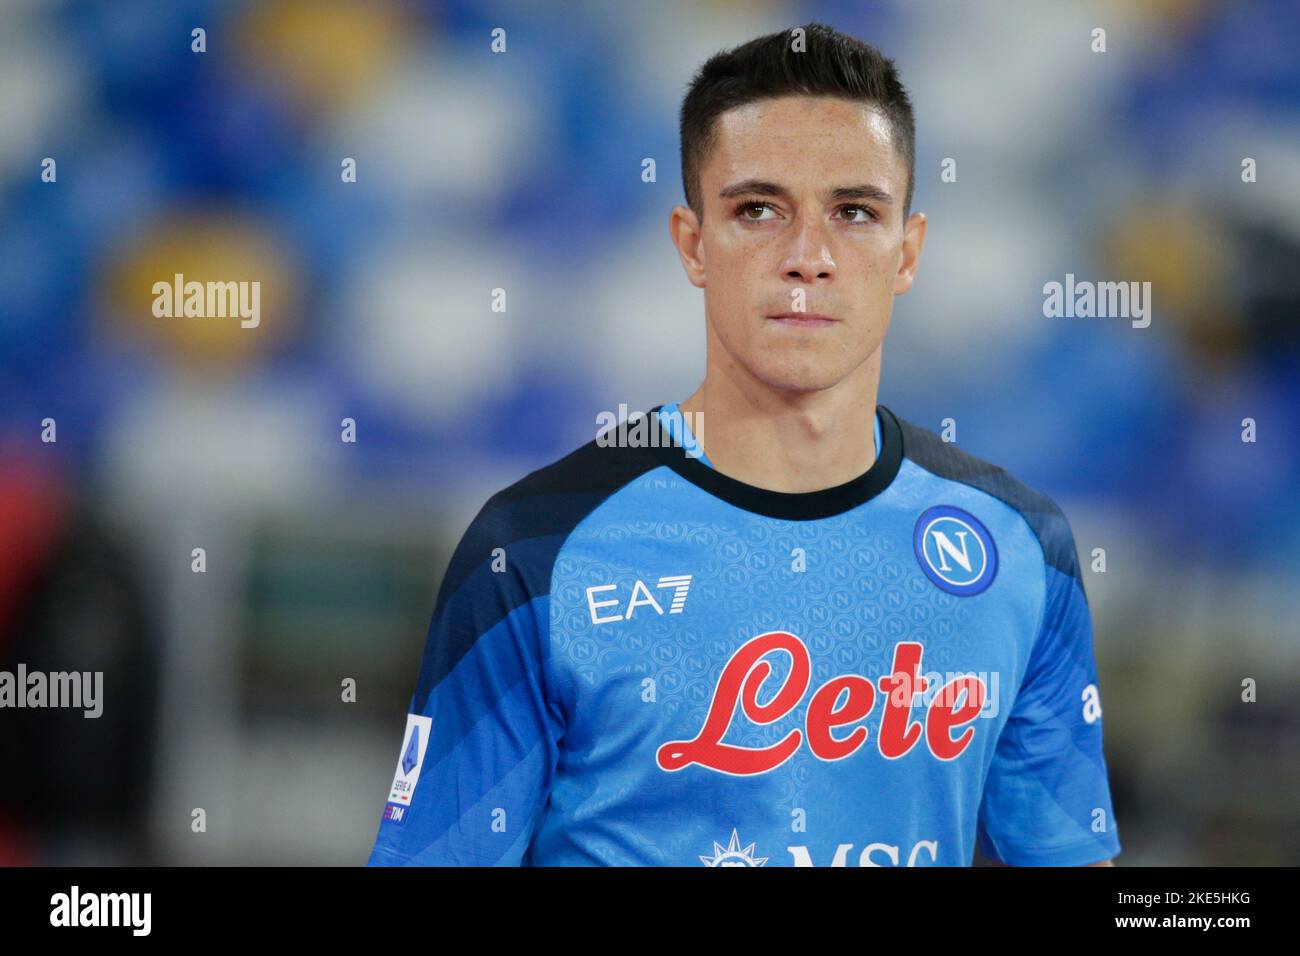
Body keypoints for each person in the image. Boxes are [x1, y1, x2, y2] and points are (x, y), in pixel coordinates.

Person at [367, 21, 1120, 867]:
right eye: (758, 210)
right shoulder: (534, 548)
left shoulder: (1023, 546)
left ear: (907, 253)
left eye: (855, 212)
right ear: (692, 244)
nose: (808, 257)